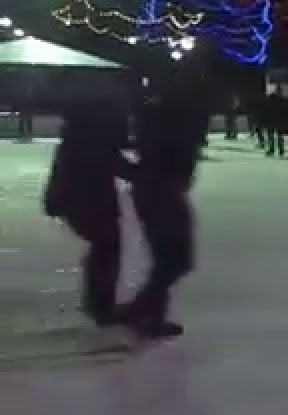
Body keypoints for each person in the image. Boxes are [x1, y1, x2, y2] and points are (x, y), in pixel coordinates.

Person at [121, 84, 206, 338]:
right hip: (162, 194)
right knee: (173, 260)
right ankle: (146, 314)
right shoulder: (172, 131)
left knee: (171, 260)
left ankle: (142, 311)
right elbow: (171, 163)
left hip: (159, 193)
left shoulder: (159, 126)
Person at [42, 99, 133, 327]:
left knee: (104, 248)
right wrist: (152, 175)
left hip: (82, 202)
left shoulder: (77, 138)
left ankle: (98, 302)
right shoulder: (92, 140)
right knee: (107, 248)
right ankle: (101, 305)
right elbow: (117, 165)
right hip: (90, 202)